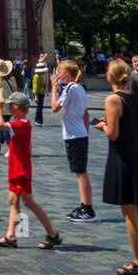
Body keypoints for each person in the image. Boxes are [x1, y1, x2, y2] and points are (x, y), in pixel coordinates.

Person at [94, 59, 138, 275]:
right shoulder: (133, 97)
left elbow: (113, 134)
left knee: (129, 213)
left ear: (109, 77)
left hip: (122, 159)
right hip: (137, 156)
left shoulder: (113, 99)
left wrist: (102, 125)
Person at [0, 92, 61, 250]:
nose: (8, 106)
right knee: (13, 201)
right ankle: (11, 236)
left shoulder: (23, 124)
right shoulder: (20, 122)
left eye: (11, 105)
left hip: (20, 170)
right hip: (16, 168)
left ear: (17, 108)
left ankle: (52, 234)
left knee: (28, 202)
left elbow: (1, 125)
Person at [51, 60, 96, 222]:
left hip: (74, 135)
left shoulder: (70, 88)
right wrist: (85, 132)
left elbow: (55, 107)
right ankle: (84, 205)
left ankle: (88, 209)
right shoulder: (80, 88)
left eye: (59, 71)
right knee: (80, 172)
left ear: (67, 73)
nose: (58, 74)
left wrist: (54, 88)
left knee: (81, 172)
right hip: (80, 133)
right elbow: (86, 113)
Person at [31, 53, 49, 126]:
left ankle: (40, 121)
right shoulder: (36, 76)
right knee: (39, 108)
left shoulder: (41, 76)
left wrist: (45, 91)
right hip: (38, 93)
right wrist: (35, 96)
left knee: (40, 108)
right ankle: (37, 120)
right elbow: (35, 86)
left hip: (41, 93)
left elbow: (44, 85)